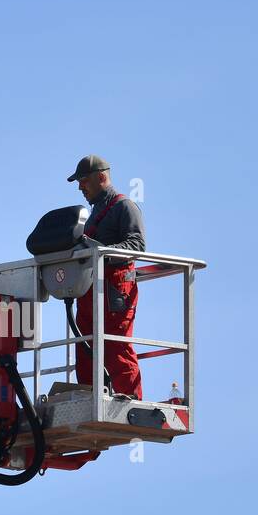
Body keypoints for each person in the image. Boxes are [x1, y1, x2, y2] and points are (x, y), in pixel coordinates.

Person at [67, 154, 146, 400]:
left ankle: (130, 398)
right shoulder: (95, 212)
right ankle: (91, 397)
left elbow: (137, 245)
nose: (80, 187)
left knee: (115, 344)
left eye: (84, 180)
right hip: (90, 289)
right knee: (86, 344)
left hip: (114, 290)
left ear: (101, 177)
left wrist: (103, 253)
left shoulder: (124, 206)